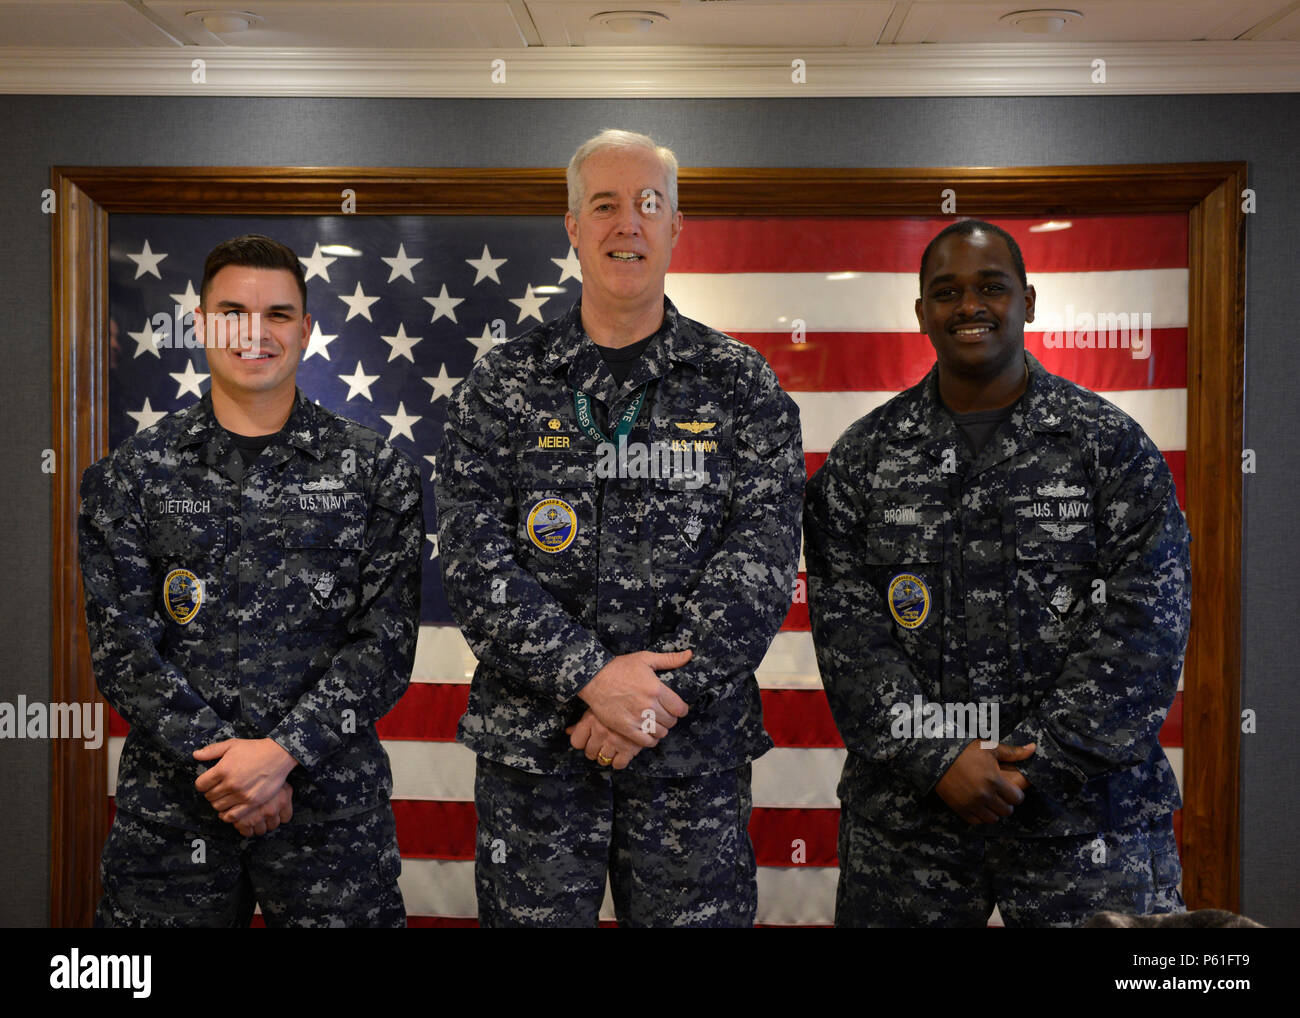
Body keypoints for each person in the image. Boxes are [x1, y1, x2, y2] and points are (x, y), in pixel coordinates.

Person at [436, 129, 804, 927]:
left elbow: (763, 562)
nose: (626, 224)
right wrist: (593, 680)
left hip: (689, 761)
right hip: (538, 754)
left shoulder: (741, 384)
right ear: (572, 227)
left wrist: (652, 700)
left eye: (648, 205)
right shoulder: (502, 383)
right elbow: (472, 560)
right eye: (604, 205)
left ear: (677, 227)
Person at [803, 220, 1190, 927]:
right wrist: (939, 757)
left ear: (1029, 301)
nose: (968, 306)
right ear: (921, 314)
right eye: (946, 292)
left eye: (991, 287)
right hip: (910, 831)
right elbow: (849, 641)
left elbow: (1146, 630)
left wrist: (1028, 767)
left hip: (1086, 825)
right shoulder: (862, 461)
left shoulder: (1110, 447)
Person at [79, 234, 423, 927]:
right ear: (202, 323)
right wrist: (233, 771)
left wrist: (281, 755)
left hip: (330, 813)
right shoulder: (132, 474)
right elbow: (123, 650)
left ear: (306, 330)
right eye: (234, 311)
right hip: (174, 816)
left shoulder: (376, 471)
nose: (255, 333)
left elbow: (384, 645)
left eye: (278, 314)